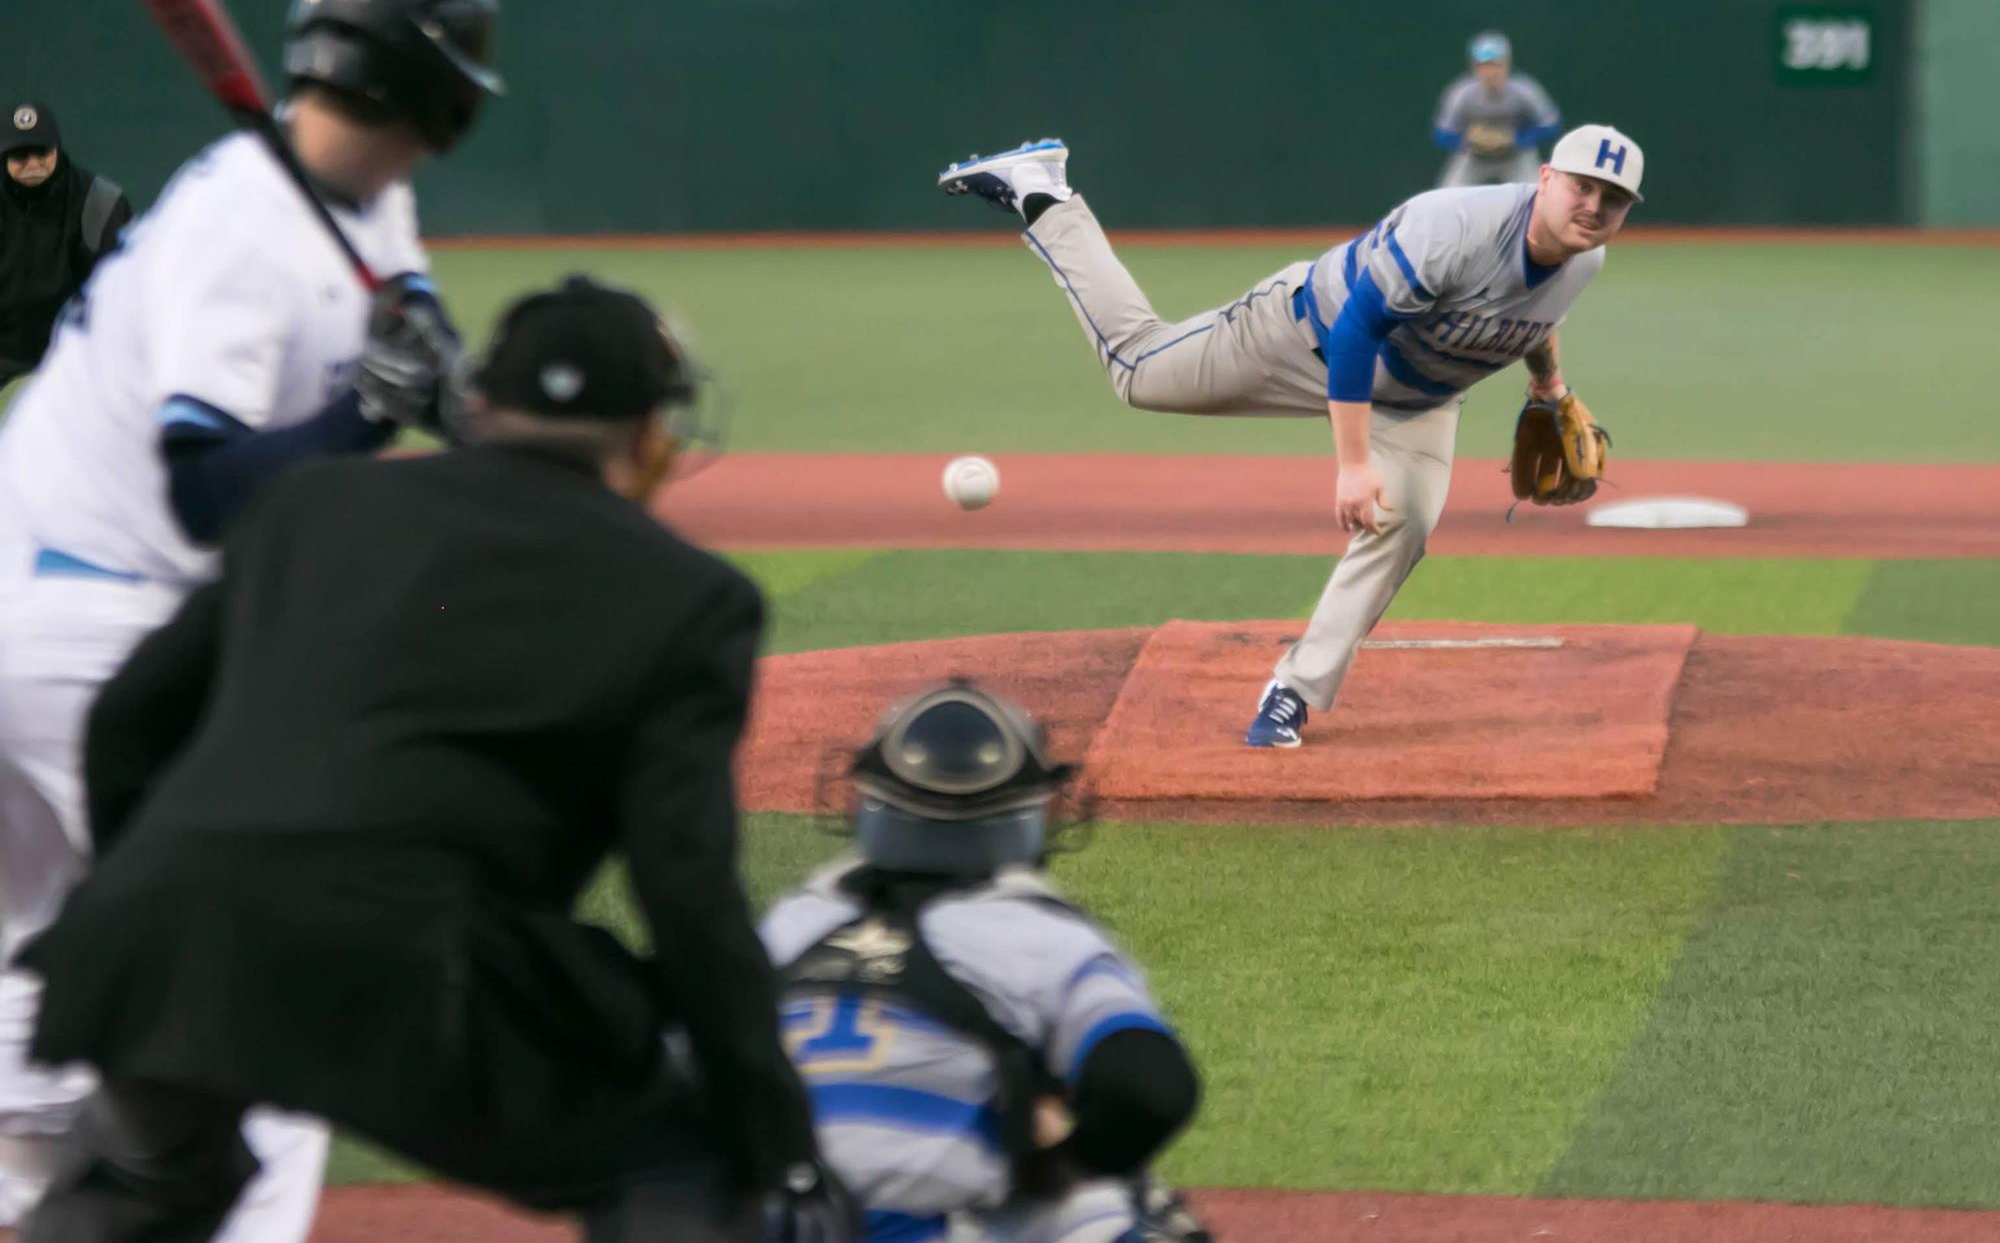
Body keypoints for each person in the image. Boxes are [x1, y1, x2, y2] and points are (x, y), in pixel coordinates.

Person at [15, 276, 854, 1243]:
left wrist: (156, 899)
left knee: (148, 1177)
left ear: (485, 402)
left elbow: (124, 723)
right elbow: (687, 890)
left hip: (150, 941)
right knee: (683, 1159)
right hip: (406, 965)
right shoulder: (690, 597)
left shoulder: (312, 502)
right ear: (650, 434)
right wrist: (780, 1141)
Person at [0, 0, 502, 1236]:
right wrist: (359, 417)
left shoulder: (358, 197)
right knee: (266, 967)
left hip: (32, 607)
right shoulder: (239, 229)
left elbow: (416, 337)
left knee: (31, 931)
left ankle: (23, 1190)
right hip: (95, 628)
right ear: (436, 98)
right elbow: (206, 487)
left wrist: (435, 385)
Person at [939, 127, 1643, 749]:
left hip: (1425, 395)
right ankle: (1044, 194)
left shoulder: (1586, 256)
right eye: (1583, 186)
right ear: (1545, 179)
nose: (1595, 207)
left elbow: (1534, 313)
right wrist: (1353, 463)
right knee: (1137, 372)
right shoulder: (1454, 224)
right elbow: (1359, 330)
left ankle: (1294, 693)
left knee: (1407, 522)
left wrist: (1549, 387)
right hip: (1302, 340)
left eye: (1613, 200)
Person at [762, 679, 1208, 1243]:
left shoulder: (788, 923)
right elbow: (1150, 1090)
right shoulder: (1029, 931)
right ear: (1028, 814)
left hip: (747, 1223)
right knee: (1114, 1205)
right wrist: (1049, 1175)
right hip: (916, 1231)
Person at [0, 100, 133, 390]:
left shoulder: (99, 202)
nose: (33, 164)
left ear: (57, 149)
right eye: (20, 156)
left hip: (75, 368)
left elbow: (116, 299)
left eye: (42, 152)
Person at [1432, 31, 1561, 189]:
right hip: (1473, 156)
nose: (1490, 71)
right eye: (1483, 65)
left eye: (1495, 64)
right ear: (1474, 67)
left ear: (1507, 64)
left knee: (1537, 192)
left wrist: (1517, 140)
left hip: (1516, 156)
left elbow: (1551, 125)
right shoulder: (1461, 92)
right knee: (1446, 195)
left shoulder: (1525, 89)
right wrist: (1466, 142)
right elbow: (1441, 133)